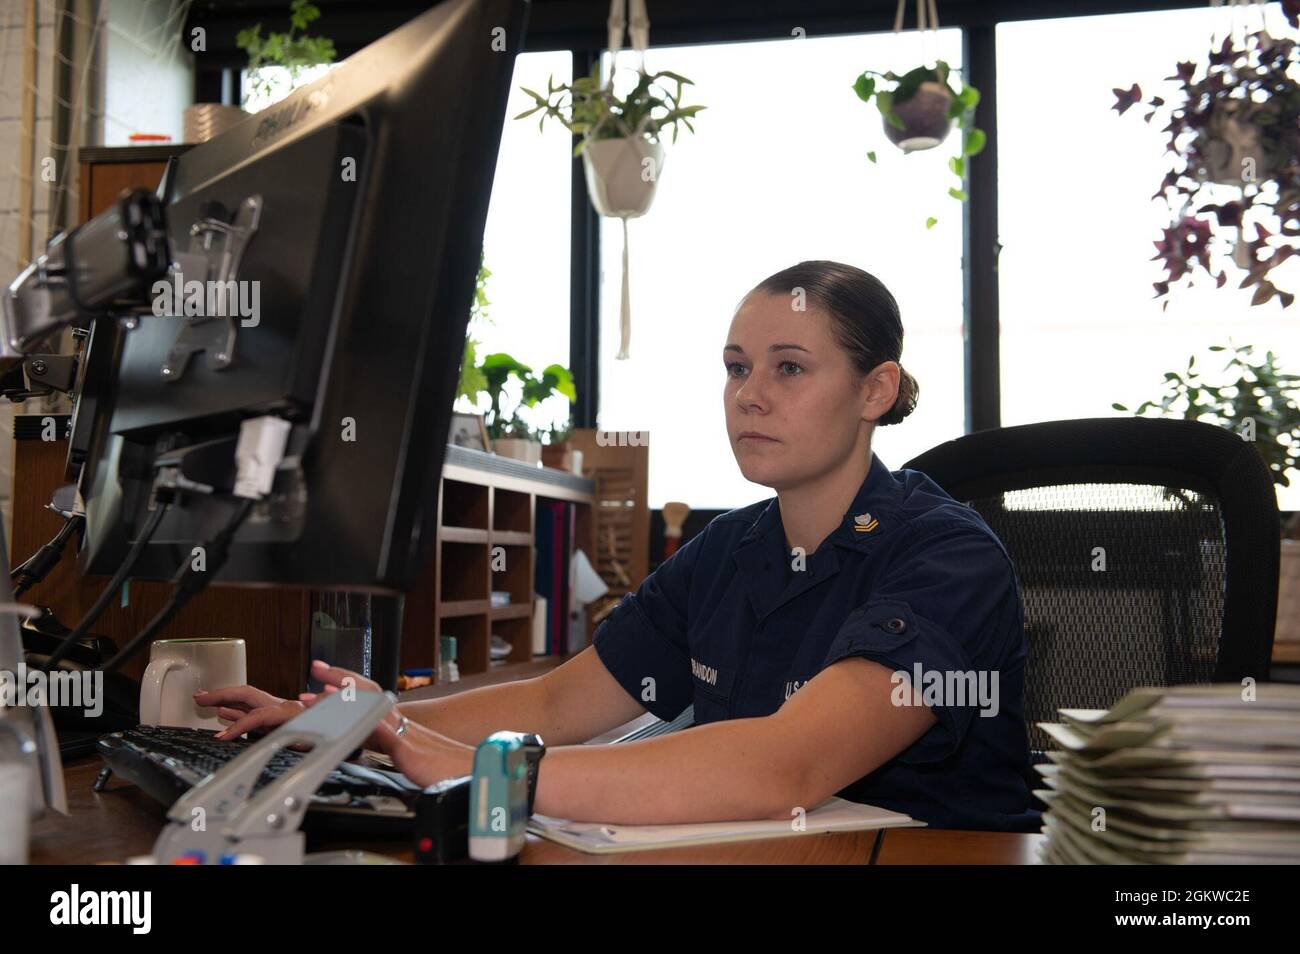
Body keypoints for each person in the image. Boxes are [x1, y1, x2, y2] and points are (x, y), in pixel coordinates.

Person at [198, 260, 1036, 831]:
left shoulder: (947, 559)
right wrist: (355, 719)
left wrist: (472, 770)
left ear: (875, 390)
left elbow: (788, 765)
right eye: (736, 367)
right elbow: (558, 706)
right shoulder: (729, 551)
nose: (748, 396)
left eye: (788, 368)